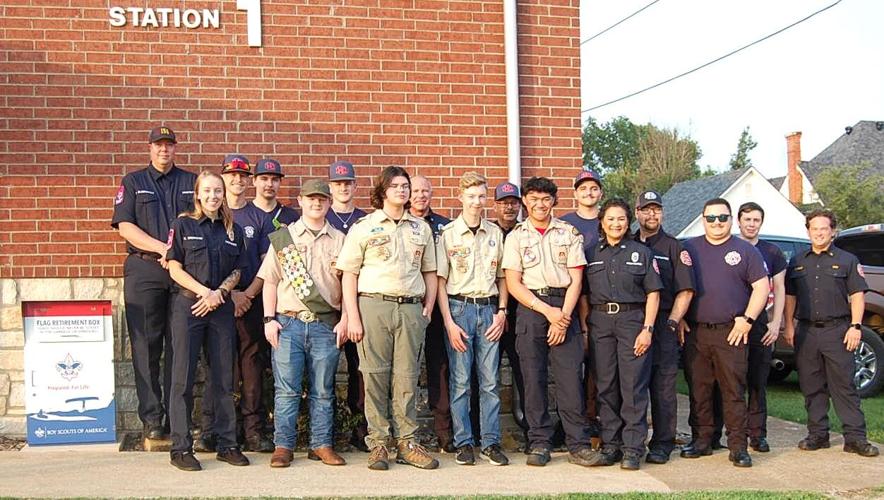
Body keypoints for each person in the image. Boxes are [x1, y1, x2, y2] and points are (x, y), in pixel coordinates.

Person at [336, 166, 440, 471]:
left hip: (410, 308)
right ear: (382, 191)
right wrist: (353, 317)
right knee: (374, 376)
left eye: (405, 185)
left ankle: (408, 442)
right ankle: (379, 442)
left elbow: (430, 271)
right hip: (373, 306)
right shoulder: (364, 227)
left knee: (407, 377)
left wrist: (428, 307)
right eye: (395, 186)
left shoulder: (420, 228)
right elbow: (349, 274)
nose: (402, 190)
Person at [501, 176, 595, 467]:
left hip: (564, 306)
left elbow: (576, 280)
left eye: (545, 199)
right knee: (532, 379)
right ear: (525, 202)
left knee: (570, 379)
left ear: (554, 201)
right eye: (533, 199)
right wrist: (547, 312)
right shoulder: (516, 236)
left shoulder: (568, 232)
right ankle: (539, 442)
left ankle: (578, 444)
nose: (540, 205)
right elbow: (513, 283)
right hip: (532, 308)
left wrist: (562, 318)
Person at [111, 126, 196, 441]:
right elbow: (125, 227)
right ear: (149, 148)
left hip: (183, 273)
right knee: (145, 346)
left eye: (169, 145)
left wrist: (178, 256)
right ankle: (152, 419)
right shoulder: (133, 182)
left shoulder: (191, 182)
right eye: (158, 145)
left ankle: (177, 418)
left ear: (175, 148)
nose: (164, 150)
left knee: (180, 345)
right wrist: (165, 249)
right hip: (145, 269)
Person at [259, 179, 349, 468]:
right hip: (289, 323)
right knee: (287, 390)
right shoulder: (284, 238)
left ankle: (321, 444)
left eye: (322, 199)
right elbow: (270, 281)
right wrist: (269, 319)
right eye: (311, 198)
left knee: (323, 390)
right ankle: (283, 446)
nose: (316, 203)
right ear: (300, 201)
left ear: (329, 202)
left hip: (325, 325)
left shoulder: (340, 240)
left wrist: (346, 319)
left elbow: (349, 283)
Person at [166, 171, 249, 471]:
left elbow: (238, 270)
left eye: (218, 191)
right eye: (208, 191)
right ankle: (181, 448)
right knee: (183, 379)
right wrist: (205, 293)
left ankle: (227, 444)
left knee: (224, 379)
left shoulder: (233, 230)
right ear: (198, 194)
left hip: (221, 310)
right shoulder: (182, 225)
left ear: (224, 195)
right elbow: (173, 267)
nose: (213, 196)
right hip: (189, 306)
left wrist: (220, 293)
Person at [680, 198, 769, 468]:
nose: (717, 223)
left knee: (733, 391)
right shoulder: (689, 249)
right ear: (702, 220)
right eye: (711, 218)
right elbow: (678, 285)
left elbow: (762, 287)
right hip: (696, 332)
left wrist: (748, 320)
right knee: (700, 390)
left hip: (732, 332)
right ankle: (702, 440)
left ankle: (738, 447)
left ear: (731, 219)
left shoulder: (745, 250)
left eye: (722, 217)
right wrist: (679, 317)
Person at [784, 209, 879, 457]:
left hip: (837, 331)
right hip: (806, 332)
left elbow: (857, 295)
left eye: (823, 228)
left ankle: (855, 439)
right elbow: (790, 296)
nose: (819, 233)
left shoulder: (848, 260)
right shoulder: (798, 261)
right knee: (811, 385)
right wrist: (789, 325)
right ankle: (818, 435)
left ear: (833, 231)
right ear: (808, 231)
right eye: (814, 228)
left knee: (844, 386)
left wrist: (856, 327)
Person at [197, 154, 274, 454]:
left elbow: (268, 264)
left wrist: (248, 295)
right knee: (218, 367)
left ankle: (253, 431)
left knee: (252, 368)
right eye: (232, 175)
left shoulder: (260, 218)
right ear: (223, 179)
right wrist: (229, 295)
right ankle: (211, 431)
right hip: (218, 302)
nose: (238, 180)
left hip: (251, 301)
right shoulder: (213, 217)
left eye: (243, 175)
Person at [436, 172, 510, 466]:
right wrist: (448, 322)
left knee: (490, 381)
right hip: (459, 309)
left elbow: (503, 276)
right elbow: (440, 281)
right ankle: (464, 442)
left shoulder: (495, 234)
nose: (477, 202)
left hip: (489, 310)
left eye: (481, 196)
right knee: (461, 381)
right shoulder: (448, 234)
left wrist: (502, 312)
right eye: (471, 196)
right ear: (460, 197)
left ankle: (490, 442)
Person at [583, 198, 662, 470]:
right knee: (605, 386)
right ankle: (611, 445)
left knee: (632, 387)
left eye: (621, 219)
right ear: (601, 222)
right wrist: (586, 328)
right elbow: (583, 295)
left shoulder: (642, 252)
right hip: (600, 323)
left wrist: (647, 329)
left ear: (628, 222)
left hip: (632, 322)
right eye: (610, 219)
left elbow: (653, 294)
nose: (615, 224)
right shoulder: (591, 253)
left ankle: (632, 448)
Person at [632, 190, 695, 465]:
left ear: (662, 213)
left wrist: (673, 321)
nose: (651, 214)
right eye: (646, 209)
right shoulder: (627, 243)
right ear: (637, 212)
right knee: (632, 386)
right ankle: (632, 441)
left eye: (656, 209)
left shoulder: (674, 247)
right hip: (632, 321)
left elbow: (686, 290)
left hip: (663, 323)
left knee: (663, 387)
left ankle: (662, 443)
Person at [731, 202, 787, 453]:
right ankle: (731, 432)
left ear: (761, 223)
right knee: (731, 382)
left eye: (756, 220)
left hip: (760, 325)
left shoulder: (771, 251)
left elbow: (780, 287)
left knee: (757, 382)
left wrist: (776, 322)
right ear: (739, 221)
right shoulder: (730, 246)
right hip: (731, 323)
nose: (751, 224)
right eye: (747, 219)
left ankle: (757, 434)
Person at [325, 160, 371, 452]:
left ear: (355, 186)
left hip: (357, 306)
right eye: (338, 183)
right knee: (323, 372)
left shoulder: (365, 220)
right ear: (330, 187)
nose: (343, 187)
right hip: (326, 305)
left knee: (360, 370)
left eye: (347, 183)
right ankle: (324, 433)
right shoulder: (321, 215)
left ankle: (360, 430)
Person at [408, 174, 455, 452]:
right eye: (415, 191)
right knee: (404, 368)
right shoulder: (399, 224)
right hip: (408, 304)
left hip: (439, 309)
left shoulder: (445, 227)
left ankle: (444, 432)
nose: (420, 195)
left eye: (425, 191)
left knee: (440, 368)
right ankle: (398, 432)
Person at [560, 168, 603, 436]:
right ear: (575, 193)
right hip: (570, 304)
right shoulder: (565, 224)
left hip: (601, 303)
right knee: (572, 370)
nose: (589, 192)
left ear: (600, 192)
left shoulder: (609, 220)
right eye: (583, 188)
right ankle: (572, 425)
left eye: (594, 188)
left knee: (600, 370)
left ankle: (596, 422)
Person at [491, 182, 527, 435]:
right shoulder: (488, 233)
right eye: (504, 203)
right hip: (490, 312)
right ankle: (480, 432)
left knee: (524, 372)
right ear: (495, 206)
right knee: (484, 374)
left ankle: (530, 429)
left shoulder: (526, 233)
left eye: (513, 202)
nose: (509, 207)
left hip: (521, 312)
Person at [255, 158, 300, 237]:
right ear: (254, 181)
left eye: (275, 179)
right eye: (264, 179)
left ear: (280, 182)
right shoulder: (243, 213)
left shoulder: (292, 216)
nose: (270, 184)